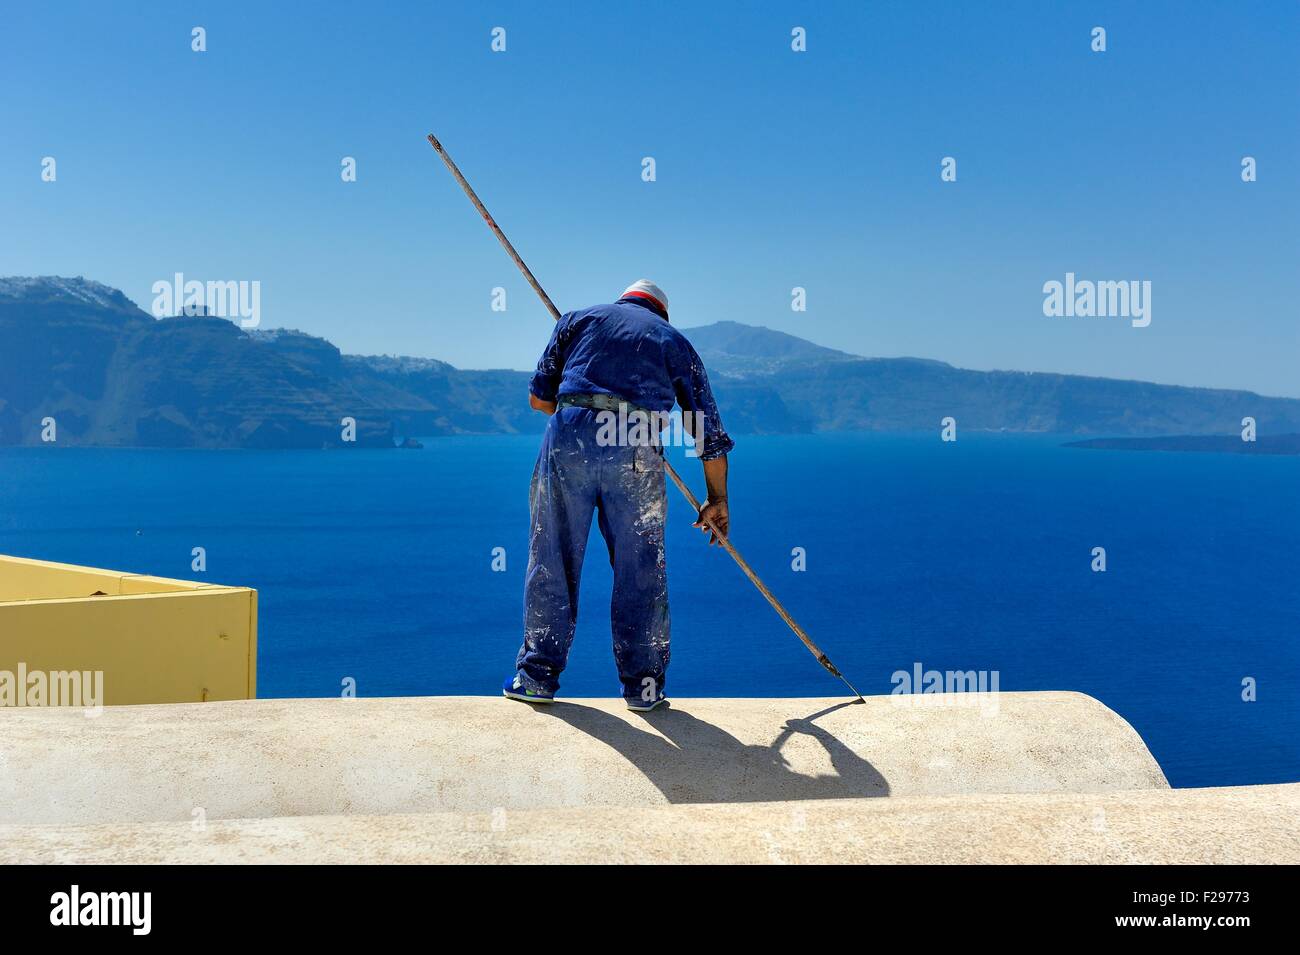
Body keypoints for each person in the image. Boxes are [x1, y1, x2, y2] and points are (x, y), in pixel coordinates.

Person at [503, 280, 734, 711]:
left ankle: (536, 677)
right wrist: (715, 500)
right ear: (661, 313)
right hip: (636, 443)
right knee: (640, 566)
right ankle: (643, 687)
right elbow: (709, 436)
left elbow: (539, 400)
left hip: (569, 434)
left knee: (552, 555)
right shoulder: (674, 342)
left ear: (622, 301)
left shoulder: (578, 320)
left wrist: (587, 408)